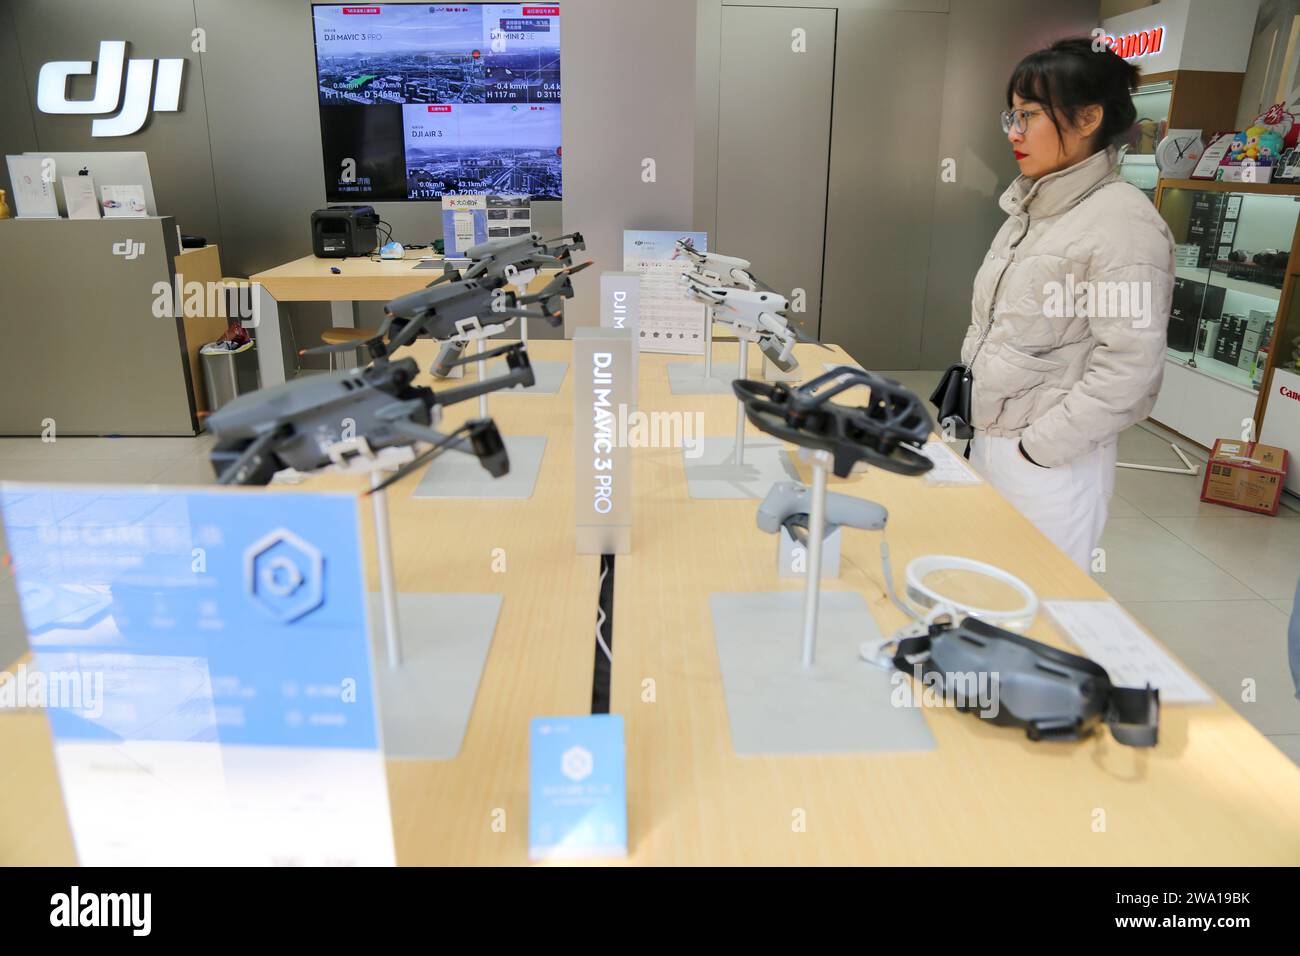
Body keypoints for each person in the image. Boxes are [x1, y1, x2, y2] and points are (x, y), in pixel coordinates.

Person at [962, 37, 1175, 572]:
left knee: (1040, 613)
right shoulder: (1034, 209)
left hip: (1050, 464)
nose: (1014, 131)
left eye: (1029, 115)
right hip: (992, 442)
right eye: (1010, 115)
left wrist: (1039, 448)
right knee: (987, 597)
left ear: (1087, 118)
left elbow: (1130, 367)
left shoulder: (1120, 223)